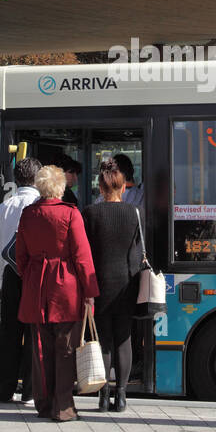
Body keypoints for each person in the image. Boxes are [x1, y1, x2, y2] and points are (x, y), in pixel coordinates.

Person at [15, 165, 98, 422]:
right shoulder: (70, 214)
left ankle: (43, 403)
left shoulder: (28, 214)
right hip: (66, 287)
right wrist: (90, 291)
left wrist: (30, 275)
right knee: (65, 349)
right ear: (61, 187)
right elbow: (82, 256)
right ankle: (63, 407)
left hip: (36, 286)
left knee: (40, 349)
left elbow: (20, 256)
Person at [81, 160, 142, 412]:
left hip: (99, 284)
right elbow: (137, 253)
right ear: (123, 187)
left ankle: (103, 396)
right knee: (124, 340)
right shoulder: (132, 213)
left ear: (100, 188)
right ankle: (122, 395)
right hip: (126, 283)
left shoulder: (90, 213)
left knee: (103, 339)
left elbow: (85, 253)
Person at [0, 156, 41, 404]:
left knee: (9, 332)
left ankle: (4, 387)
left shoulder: (5, 206)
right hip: (34, 275)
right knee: (34, 331)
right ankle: (30, 390)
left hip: (11, 274)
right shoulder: (40, 204)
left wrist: (1, 281)